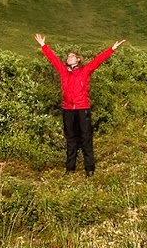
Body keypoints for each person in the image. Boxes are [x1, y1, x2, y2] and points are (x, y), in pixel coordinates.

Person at [35, 32, 125, 176]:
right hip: (68, 109)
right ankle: (70, 169)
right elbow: (53, 60)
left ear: (78, 59)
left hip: (82, 108)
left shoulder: (85, 71)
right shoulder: (63, 71)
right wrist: (43, 46)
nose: (68, 58)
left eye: (72, 56)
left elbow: (98, 60)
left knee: (85, 138)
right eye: (68, 56)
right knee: (70, 140)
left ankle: (89, 169)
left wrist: (112, 49)